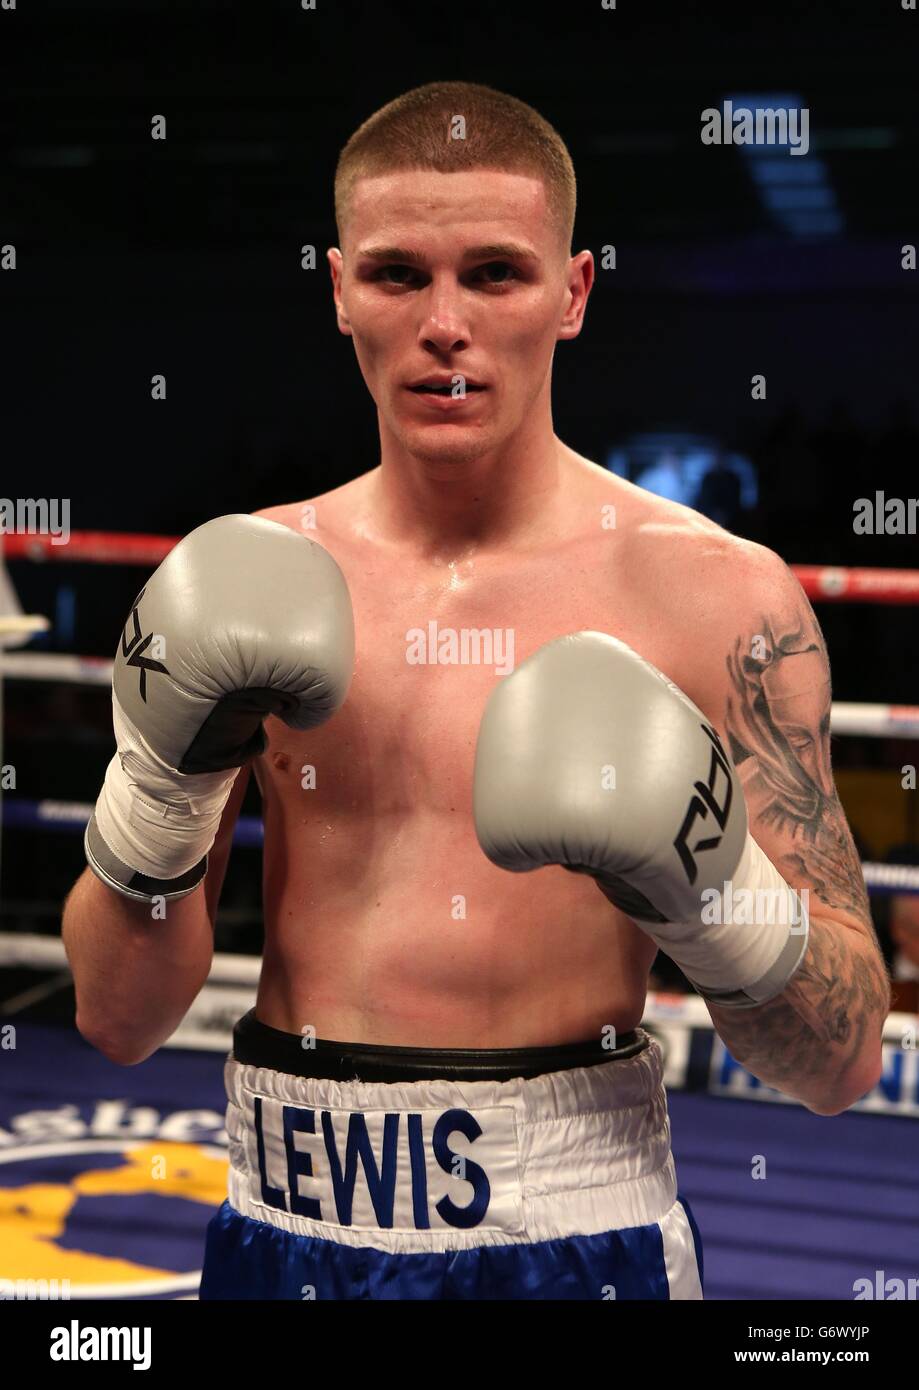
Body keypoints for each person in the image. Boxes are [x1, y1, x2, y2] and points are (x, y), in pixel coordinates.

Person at [61, 81, 890, 1301]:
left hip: (576, 1238)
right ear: (339, 288)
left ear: (574, 292)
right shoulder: (254, 575)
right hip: (281, 1224)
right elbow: (117, 1017)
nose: (443, 323)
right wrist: (163, 782)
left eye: (496, 273)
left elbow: (842, 1058)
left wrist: (717, 893)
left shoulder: (721, 600)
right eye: (399, 275)